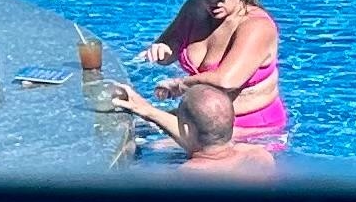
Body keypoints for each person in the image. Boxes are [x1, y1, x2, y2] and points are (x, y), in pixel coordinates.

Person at [134, 0, 287, 151]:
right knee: (129, 130)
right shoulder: (195, 9)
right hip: (200, 120)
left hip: (249, 130)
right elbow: (170, 44)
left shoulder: (256, 26)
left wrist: (178, 85)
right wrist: (162, 50)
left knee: (152, 151)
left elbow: (226, 81)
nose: (213, 1)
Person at [107, 70, 277, 174]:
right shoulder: (260, 157)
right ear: (232, 122)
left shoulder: (187, 176)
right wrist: (148, 111)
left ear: (186, 130)